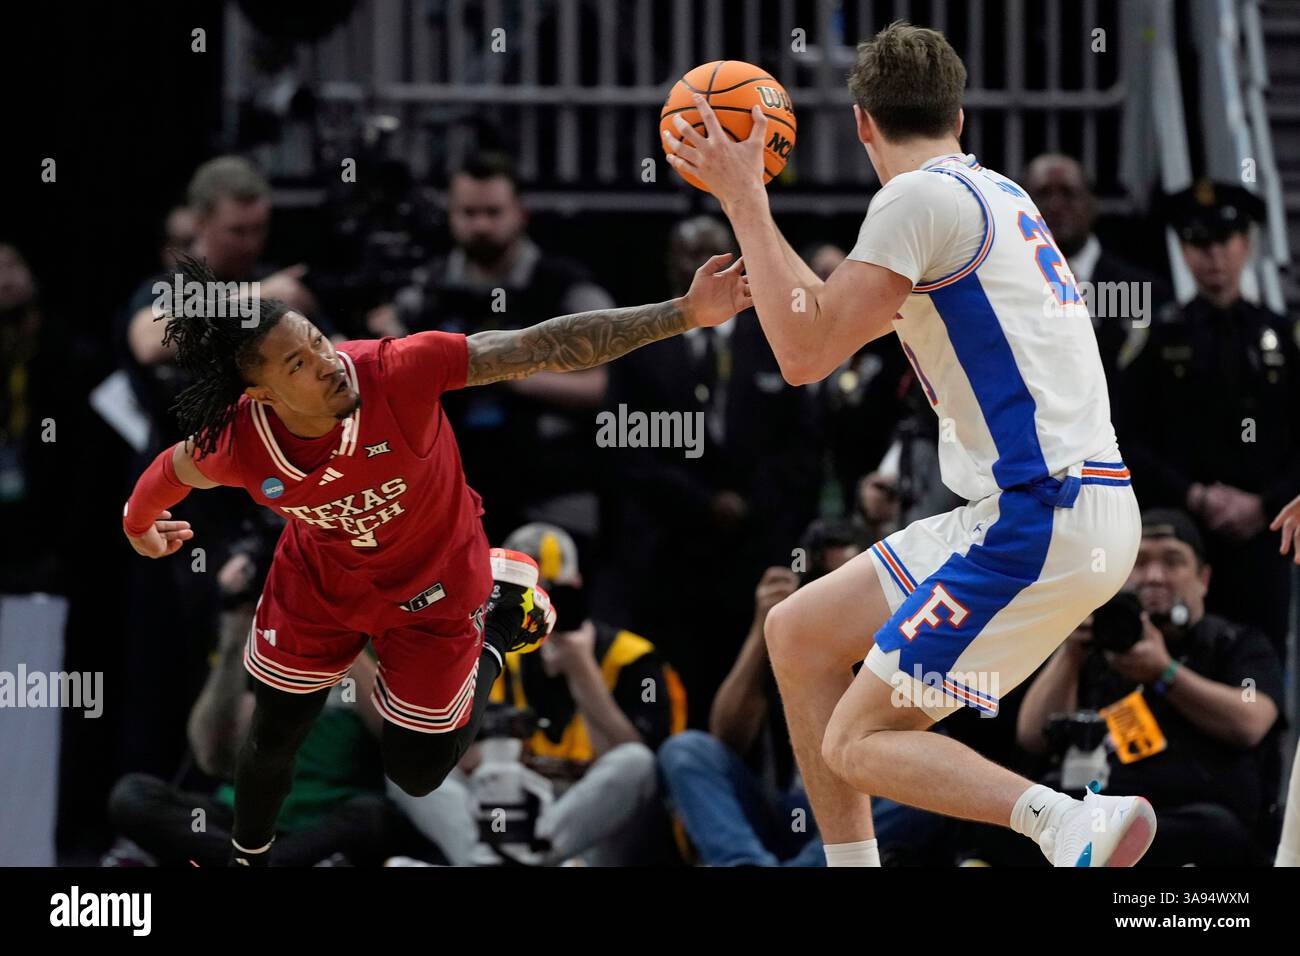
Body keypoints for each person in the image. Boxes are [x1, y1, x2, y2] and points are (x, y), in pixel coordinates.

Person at [663, 20, 1154, 866]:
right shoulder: (990, 193)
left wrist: (745, 198)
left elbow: (802, 354)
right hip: (1055, 504)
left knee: (856, 739)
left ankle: (1070, 823)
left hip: (1041, 515)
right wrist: (758, 229)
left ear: (860, 123)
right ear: (958, 116)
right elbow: (822, 318)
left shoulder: (915, 201)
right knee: (799, 632)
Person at [118, 249, 748, 866]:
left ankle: (499, 622)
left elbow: (541, 344)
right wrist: (138, 523)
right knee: (270, 737)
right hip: (322, 579)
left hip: (436, 583)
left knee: (417, 771)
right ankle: (249, 859)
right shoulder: (237, 441)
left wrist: (682, 314)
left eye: (316, 340)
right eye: (297, 364)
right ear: (260, 393)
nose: (326, 362)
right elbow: (169, 471)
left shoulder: (399, 369)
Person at [1016, 509, 1283, 866]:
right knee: (996, 828)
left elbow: (1251, 721)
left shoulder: (1235, 643)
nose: (1154, 577)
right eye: (1139, 564)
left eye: (1173, 562)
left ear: (1203, 579)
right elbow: (1032, 735)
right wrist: (1071, 653)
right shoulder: (1095, 646)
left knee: (1214, 836)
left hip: (1193, 822)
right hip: (1095, 816)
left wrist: (1165, 673)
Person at [376, 153, 618, 543]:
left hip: (552, 491)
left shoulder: (565, 289)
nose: (481, 225)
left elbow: (611, 385)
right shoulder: (422, 293)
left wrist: (507, 372)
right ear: (450, 214)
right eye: (468, 213)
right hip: (445, 493)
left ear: (520, 212)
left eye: (493, 212)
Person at [1116, 179, 1300, 650]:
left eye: (1224, 242)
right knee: (1176, 647)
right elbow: (1124, 436)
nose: (1213, 258)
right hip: (1181, 533)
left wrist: (1263, 503)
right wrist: (1193, 494)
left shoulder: (1282, 335)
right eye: (1198, 244)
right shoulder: (1156, 336)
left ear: (1247, 244)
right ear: (1182, 249)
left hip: (1265, 532)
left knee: (1263, 652)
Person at [1022, 153, 1176, 383]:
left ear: (1091, 203)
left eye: (1068, 193)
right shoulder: (1003, 287)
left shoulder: (1146, 292)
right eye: (1043, 194)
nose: (1055, 205)